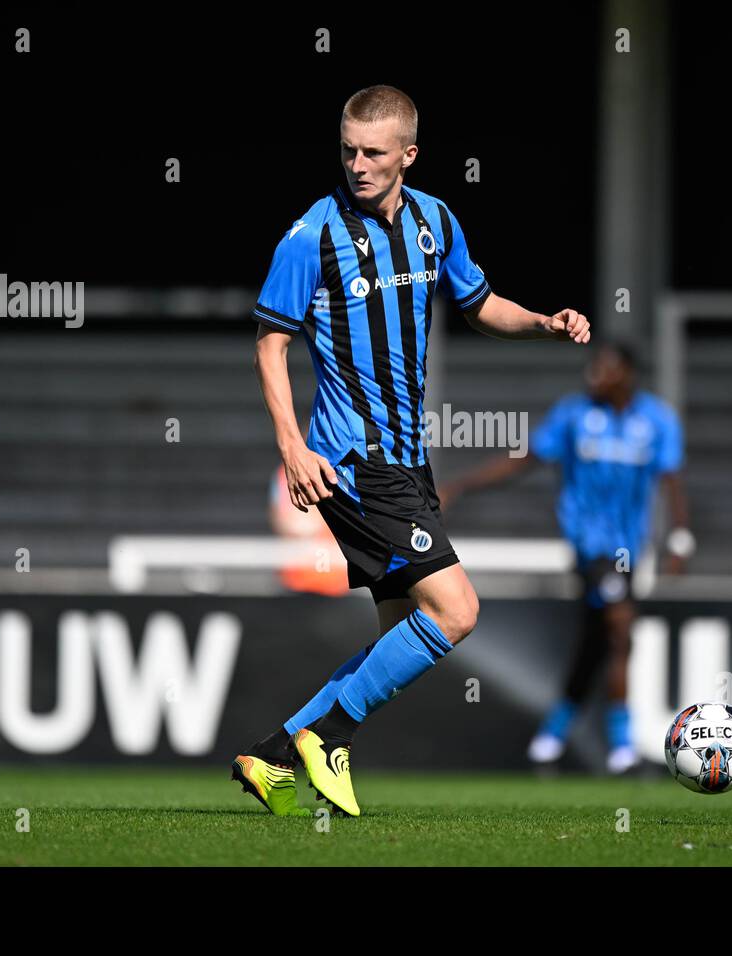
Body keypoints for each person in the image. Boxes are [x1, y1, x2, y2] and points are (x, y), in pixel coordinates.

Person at [232, 85, 590, 817]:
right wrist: (293, 447)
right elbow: (270, 344)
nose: (357, 164)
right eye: (347, 150)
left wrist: (543, 323)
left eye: (372, 151)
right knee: (457, 610)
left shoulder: (435, 220)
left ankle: (273, 756)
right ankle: (329, 738)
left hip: (408, 461)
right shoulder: (311, 236)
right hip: (353, 461)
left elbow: (480, 305)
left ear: (408, 155)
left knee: (402, 636)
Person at [438, 342, 691, 773]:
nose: (595, 374)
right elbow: (525, 459)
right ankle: (622, 747)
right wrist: (463, 484)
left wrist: (680, 537)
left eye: (605, 367)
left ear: (627, 373)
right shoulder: (573, 416)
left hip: (631, 548)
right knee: (619, 624)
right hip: (590, 546)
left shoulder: (657, 420)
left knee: (598, 641)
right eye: (592, 366)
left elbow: (671, 480)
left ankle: (552, 735)